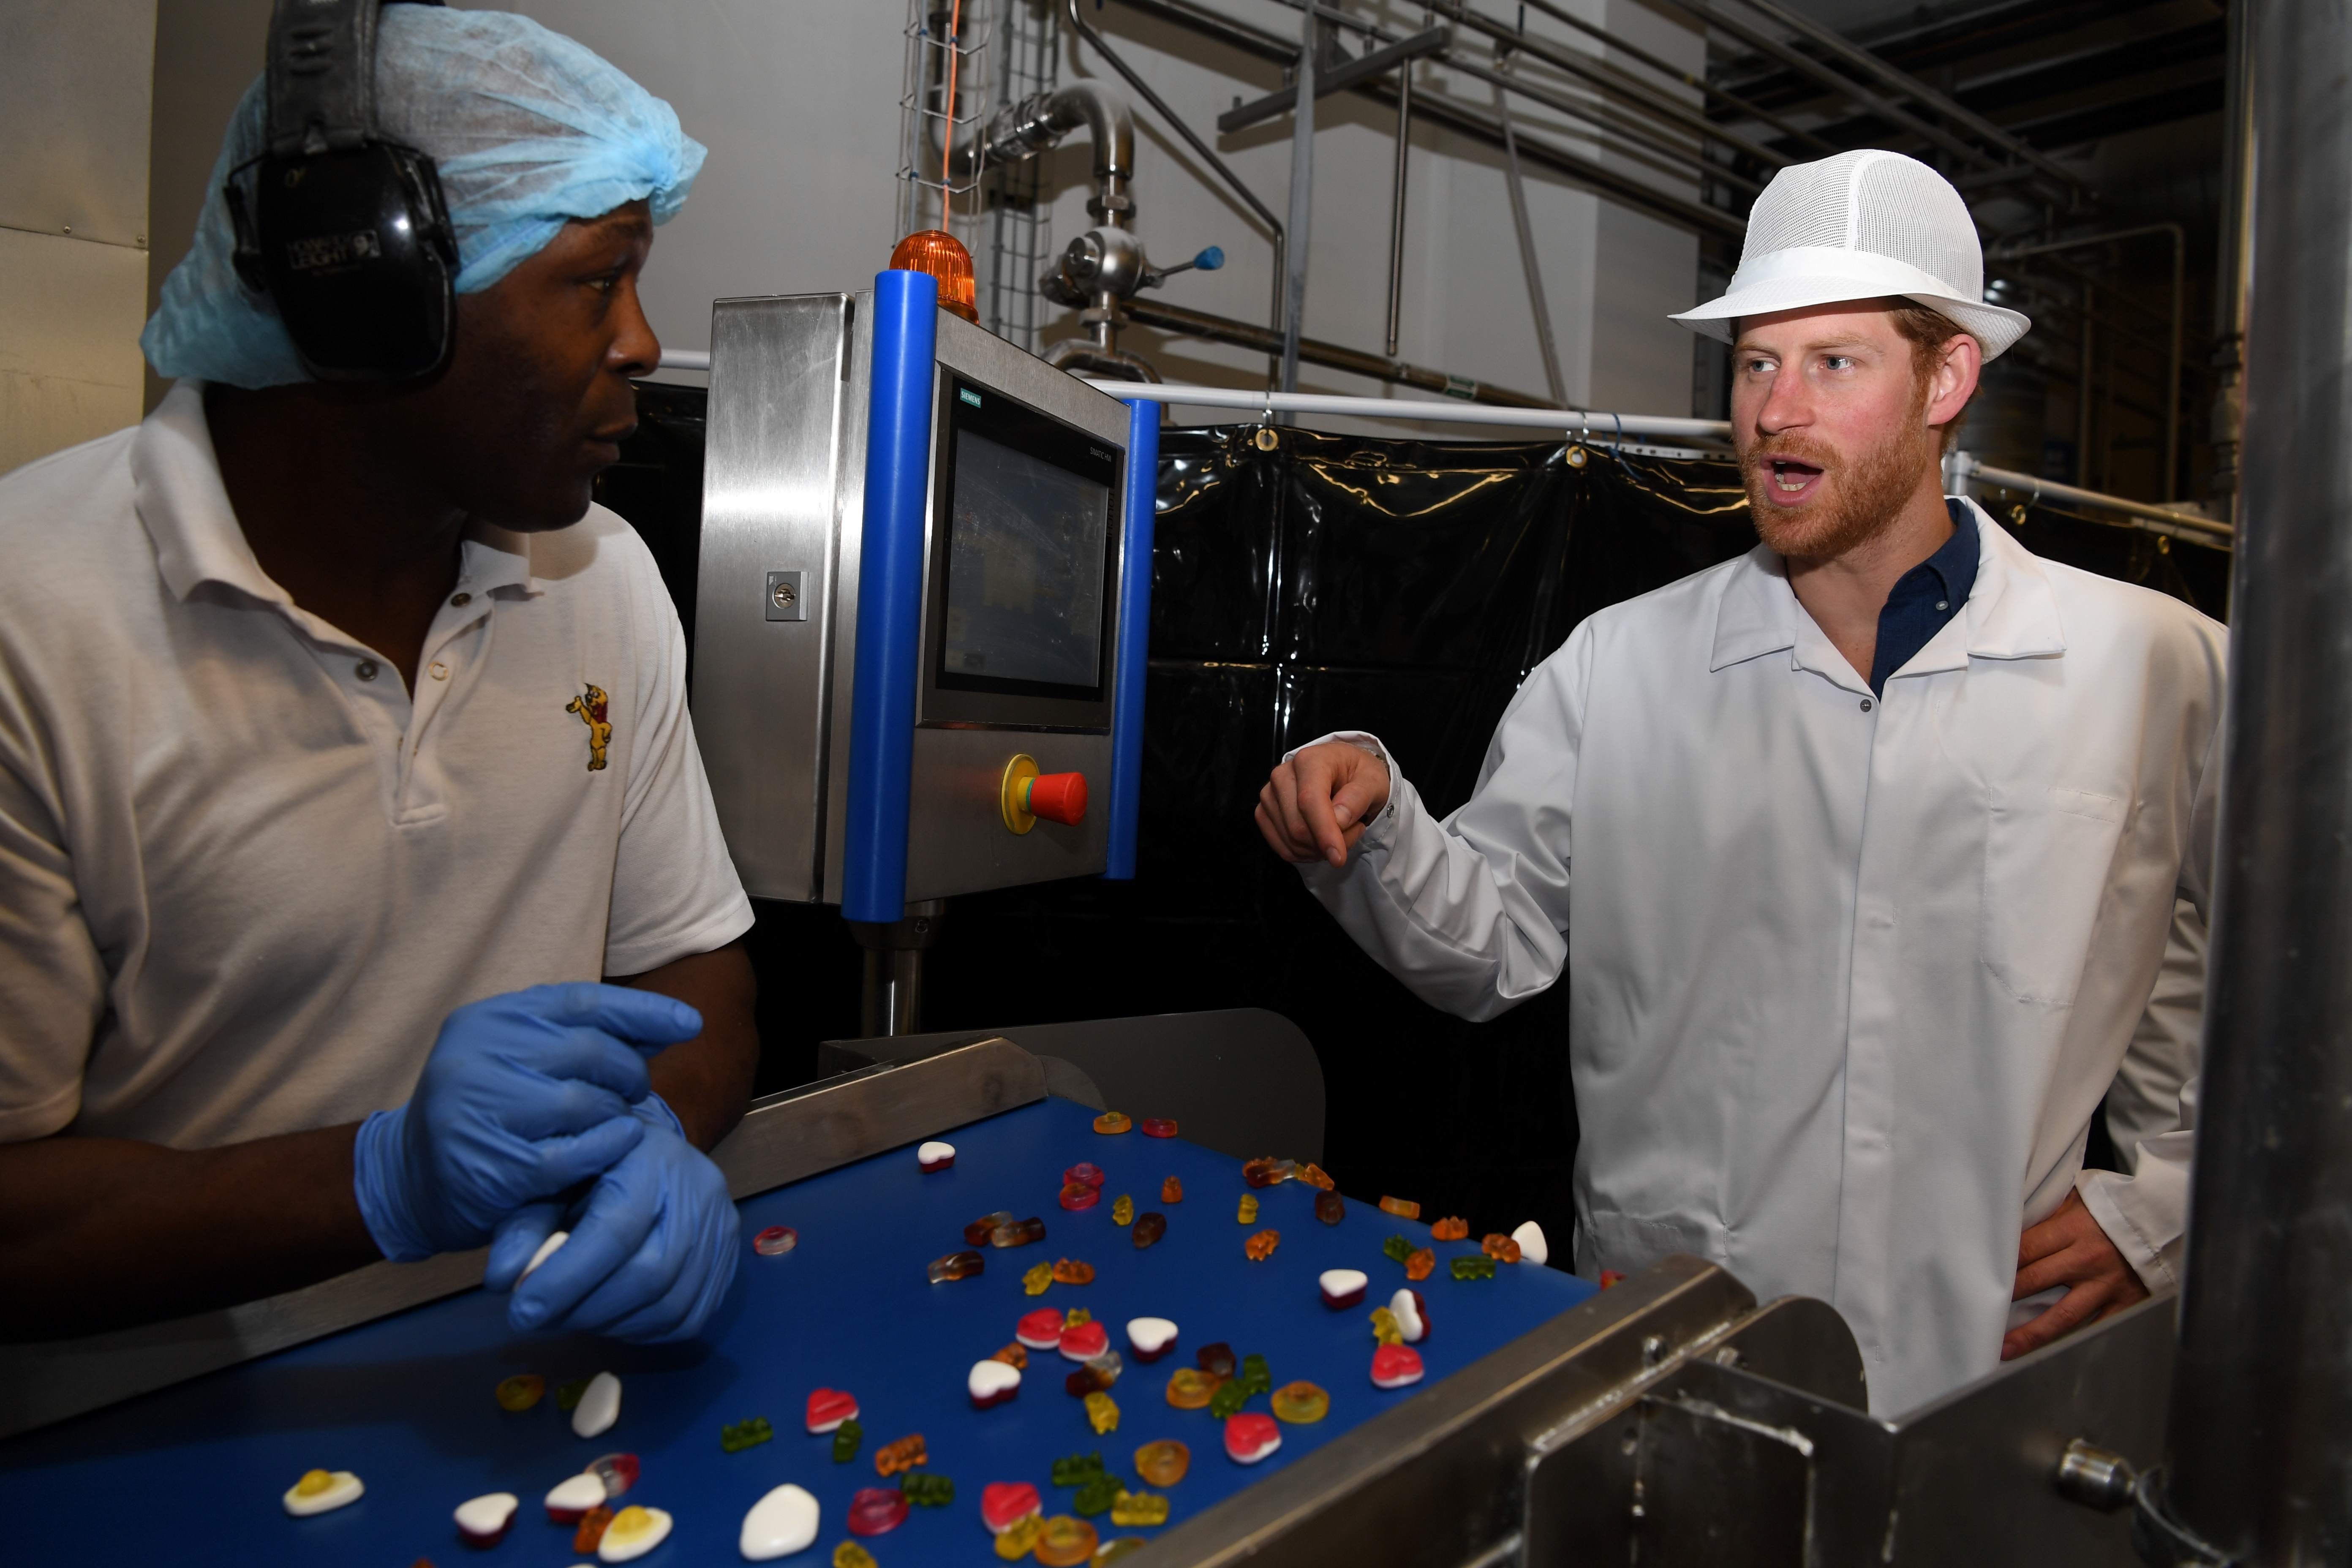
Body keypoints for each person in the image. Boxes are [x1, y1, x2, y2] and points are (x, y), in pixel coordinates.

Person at [1255, 150, 2220, 1415]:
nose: (1774, 409)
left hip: (1990, 1355)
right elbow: (1490, 946)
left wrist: (2165, 1202)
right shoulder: (1624, 664)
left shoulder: (2148, 662)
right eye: (1757, 361)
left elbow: (2239, 977)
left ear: (1948, 379)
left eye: (1834, 362)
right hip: (1677, 1329)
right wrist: (1375, 821)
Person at [0, 9, 756, 1347]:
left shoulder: (607, 582)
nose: (641, 343)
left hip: (526, 1376)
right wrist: (385, 1182)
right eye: (597, 279)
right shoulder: (33, 620)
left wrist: (655, 1136)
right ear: (371, 291)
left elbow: (693, 969)